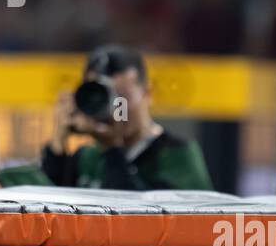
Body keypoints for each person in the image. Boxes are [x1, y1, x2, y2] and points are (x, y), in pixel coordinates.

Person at [41, 45, 214, 192]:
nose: (117, 108)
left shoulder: (177, 155)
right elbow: (47, 217)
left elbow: (140, 222)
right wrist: (57, 145)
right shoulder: (88, 157)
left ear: (148, 93)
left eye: (123, 98)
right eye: (104, 99)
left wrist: (112, 149)